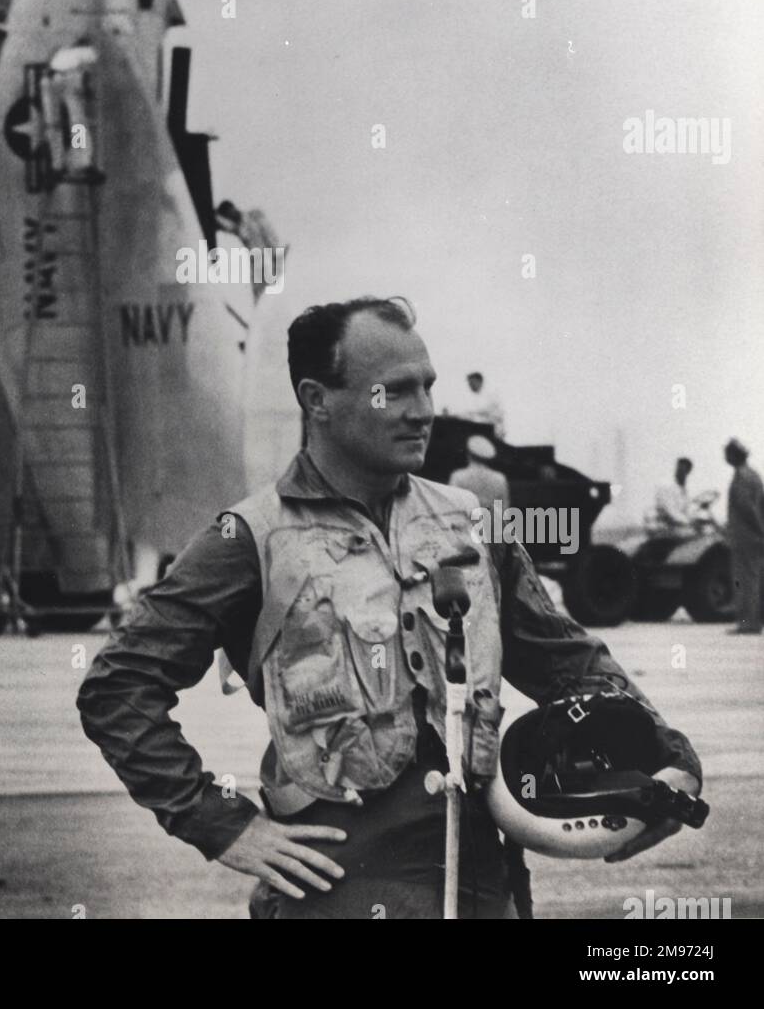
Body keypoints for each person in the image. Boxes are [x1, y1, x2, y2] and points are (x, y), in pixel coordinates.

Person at [76, 297, 702, 919]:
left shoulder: (473, 527)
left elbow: (573, 666)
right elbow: (119, 687)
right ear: (317, 399)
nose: (423, 411)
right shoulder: (252, 538)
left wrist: (666, 763)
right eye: (393, 393)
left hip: (484, 890)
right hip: (338, 893)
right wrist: (224, 825)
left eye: (427, 388)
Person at [724, 438, 764, 636]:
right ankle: (751, 622)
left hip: (746, 537)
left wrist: (759, 529)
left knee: (746, 580)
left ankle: (748, 624)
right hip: (751, 537)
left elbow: (746, 507)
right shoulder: (753, 475)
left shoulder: (743, 476)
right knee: (753, 579)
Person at [450, 435, 510, 514]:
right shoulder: (500, 479)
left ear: (469, 454)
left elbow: (451, 508)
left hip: (467, 524)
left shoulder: (458, 477)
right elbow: (504, 512)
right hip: (491, 525)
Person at [449, 371, 505, 439]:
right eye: (469, 384)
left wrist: (457, 416)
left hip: (493, 432)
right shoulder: (476, 397)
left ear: (479, 381)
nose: (470, 386)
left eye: (471, 383)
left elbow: (478, 412)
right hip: (483, 430)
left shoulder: (490, 394)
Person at [654, 457, 695, 532]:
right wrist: (689, 522)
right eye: (678, 469)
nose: (679, 473)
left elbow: (686, 512)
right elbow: (671, 512)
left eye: (683, 471)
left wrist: (694, 520)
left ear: (688, 472)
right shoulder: (666, 487)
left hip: (680, 529)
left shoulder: (684, 491)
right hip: (665, 529)